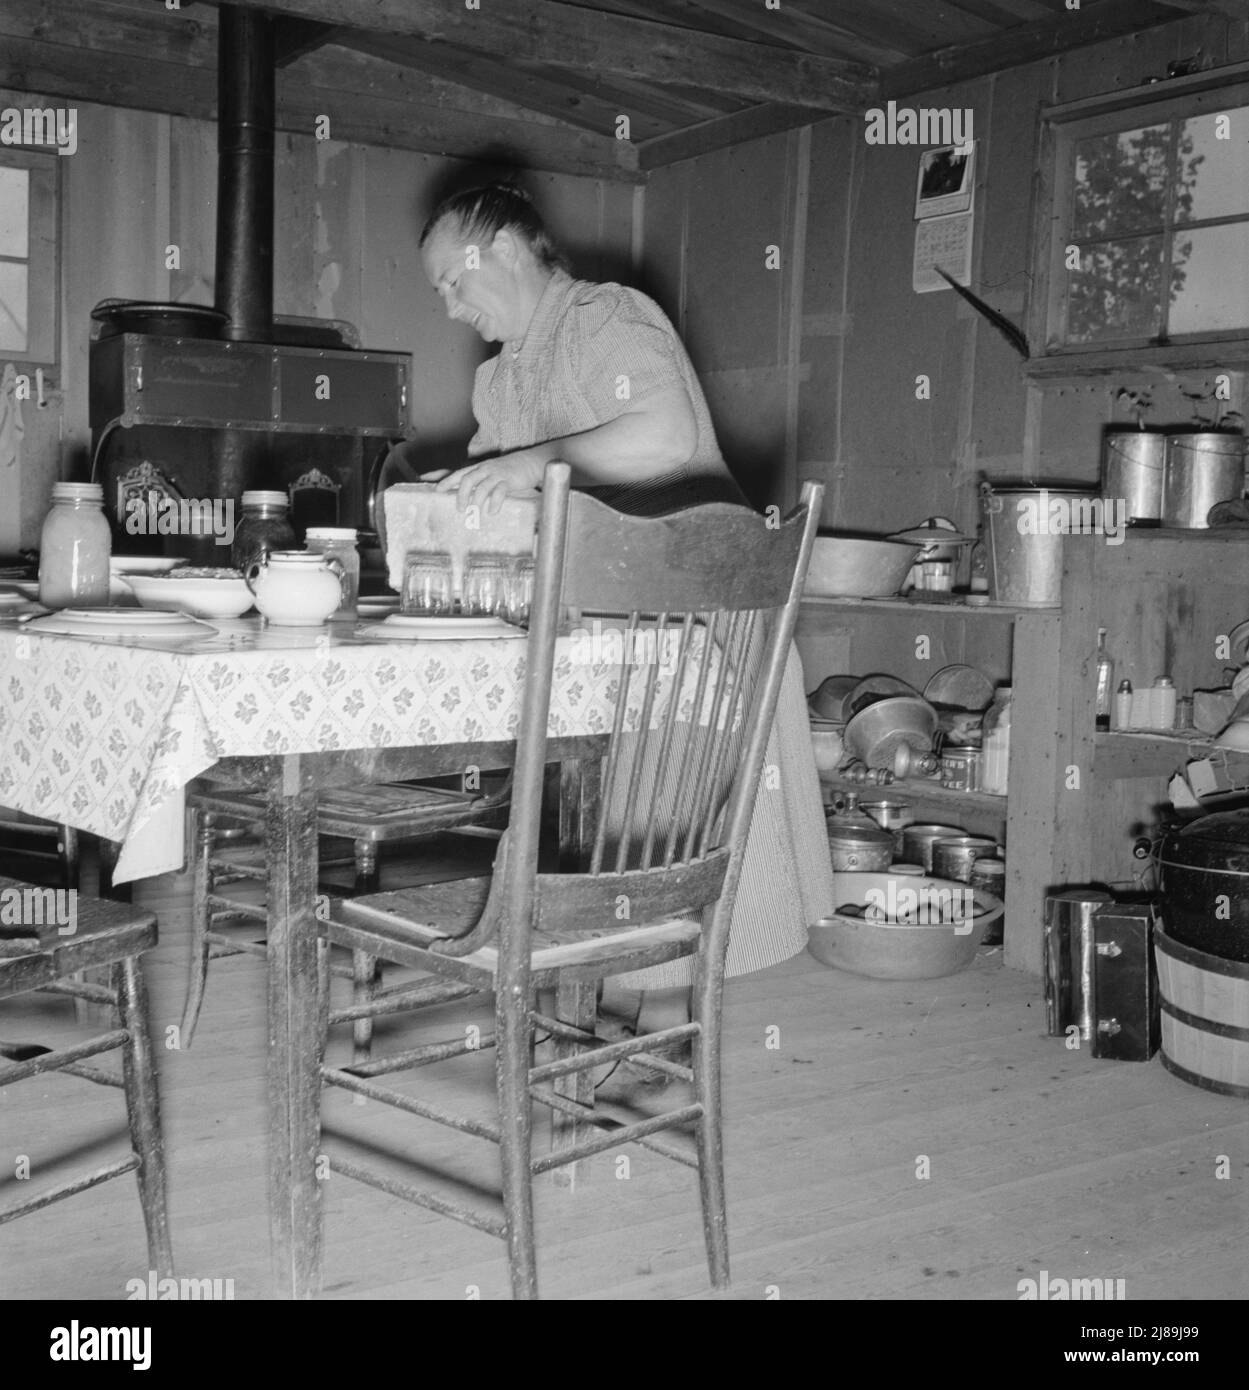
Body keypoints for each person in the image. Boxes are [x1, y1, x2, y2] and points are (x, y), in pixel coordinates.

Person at [398, 182, 749, 516]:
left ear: (504, 249)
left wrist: (530, 465)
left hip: (698, 560)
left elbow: (670, 438)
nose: (451, 310)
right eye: (441, 294)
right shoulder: (495, 382)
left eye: (454, 282)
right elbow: (516, 492)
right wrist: (468, 486)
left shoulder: (599, 315)